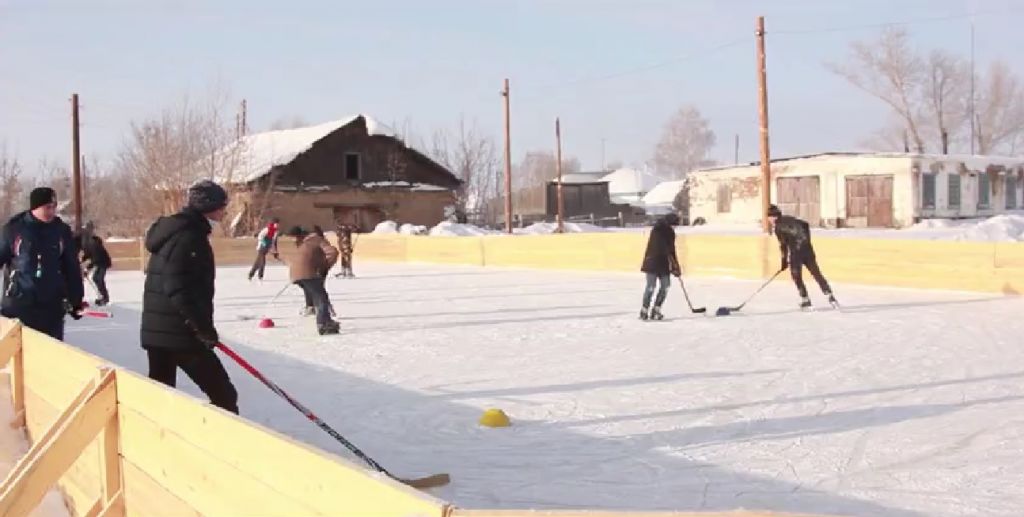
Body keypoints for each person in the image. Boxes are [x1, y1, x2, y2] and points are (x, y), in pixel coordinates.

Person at [141, 180, 238, 414]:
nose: (224, 212)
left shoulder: (178, 231)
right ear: (209, 207)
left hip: (161, 330)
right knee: (223, 394)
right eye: (222, 206)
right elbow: (178, 287)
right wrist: (202, 328)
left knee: (160, 395)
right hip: (179, 333)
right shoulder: (189, 237)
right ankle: (219, 436)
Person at [0, 187, 85, 339]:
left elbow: (71, 268)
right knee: (21, 351)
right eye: (47, 207)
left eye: (54, 207)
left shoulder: (61, 231)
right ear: (35, 207)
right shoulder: (14, 229)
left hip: (51, 307)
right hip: (19, 305)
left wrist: (76, 300)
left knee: (50, 350)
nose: (52, 211)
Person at [766, 204, 838, 309]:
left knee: (796, 276)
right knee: (816, 274)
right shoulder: (790, 219)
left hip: (796, 254)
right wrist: (806, 241)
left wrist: (784, 262)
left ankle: (805, 300)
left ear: (773, 217)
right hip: (808, 251)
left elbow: (783, 246)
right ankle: (831, 297)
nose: (769, 220)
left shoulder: (778, 228)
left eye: (769, 217)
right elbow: (806, 224)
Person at [286, 226, 339, 335]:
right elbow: (333, 252)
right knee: (321, 299)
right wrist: (325, 267)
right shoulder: (318, 240)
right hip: (309, 273)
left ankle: (314, 310)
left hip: (295, 275)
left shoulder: (303, 242)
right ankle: (324, 324)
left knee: (315, 294)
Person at [639, 212, 681, 321]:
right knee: (651, 287)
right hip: (652, 262)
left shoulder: (671, 233)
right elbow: (662, 247)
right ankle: (644, 309)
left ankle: (656, 309)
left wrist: (676, 265)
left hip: (664, 264)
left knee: (666, 286)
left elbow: (672, 250)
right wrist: (671, 259)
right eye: (674, 225)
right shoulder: (657, 230)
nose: (675, 227)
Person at [79, 221, 112, 306]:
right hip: (98, 261)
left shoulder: (94, 242)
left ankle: (105, 297)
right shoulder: (85, 240)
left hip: (103, 262)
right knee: (95, 278)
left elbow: (96, 257)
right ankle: (102, 296)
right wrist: (82, 261)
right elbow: (88, 253)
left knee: (99, 279)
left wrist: (88, 268)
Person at [248, 217, 280, 281]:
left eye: (278, 224)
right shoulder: (267, 229)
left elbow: (274, 242)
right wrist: (263, 242)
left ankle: (250, 275)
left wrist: (275, 252)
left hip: (266, 248)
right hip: (261, 248)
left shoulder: (276, 232)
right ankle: (260, 276)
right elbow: (260, 236)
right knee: (262, 262)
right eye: (277, 224)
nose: (278, 225)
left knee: (257, 263)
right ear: (274, 223)